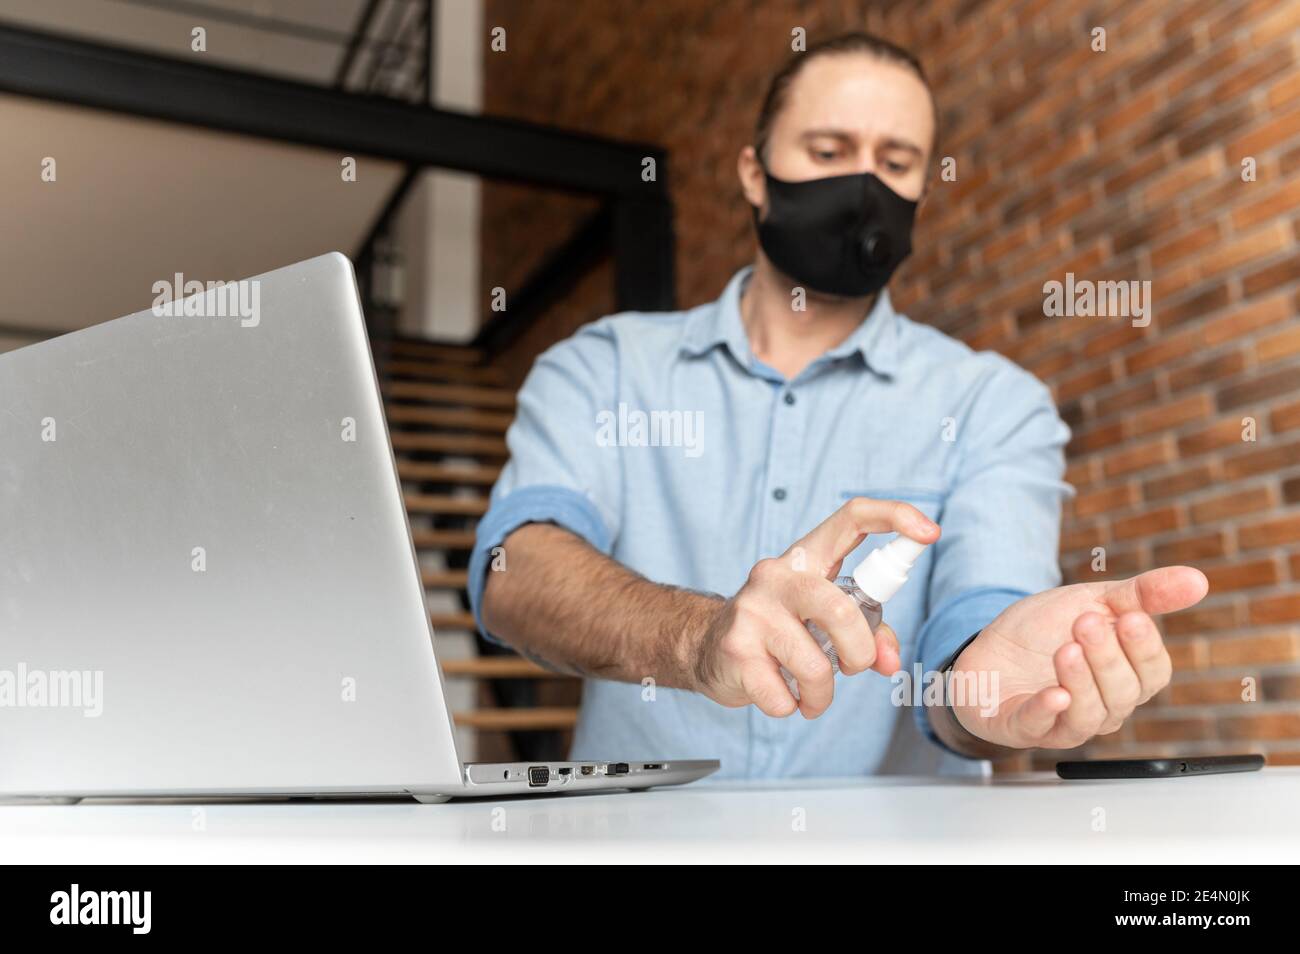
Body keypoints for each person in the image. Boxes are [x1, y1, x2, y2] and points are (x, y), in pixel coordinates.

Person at [467, 32, 1207, 777]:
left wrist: (986, 691)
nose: (863, 188)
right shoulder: (606, 367)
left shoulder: (992, 402)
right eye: (828, 151)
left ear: (921, 191)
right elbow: (515, 569)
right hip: (636, 833)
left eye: (896, 163)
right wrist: (698, 639)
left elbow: (981, 617)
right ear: (755, 174)